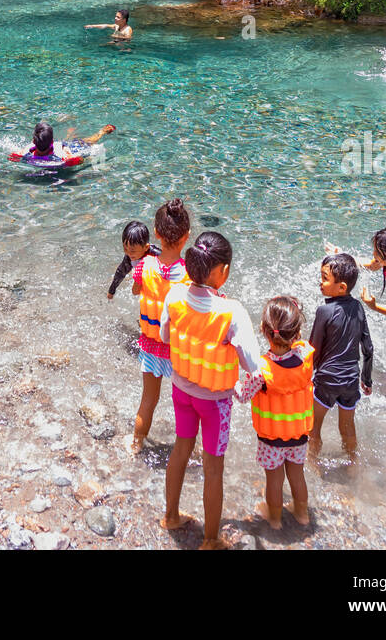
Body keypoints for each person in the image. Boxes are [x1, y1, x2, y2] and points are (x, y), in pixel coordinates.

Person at [160, 232, 260, 550]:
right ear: (222, 272)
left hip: (181, 390)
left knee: (180, 450)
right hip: (214, 402)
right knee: (213, 467)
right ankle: (211, 539)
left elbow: (164, 334)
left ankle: (171, 516)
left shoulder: (174, 296)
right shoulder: (232, 312)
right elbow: (251, 363)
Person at [235, 296, 313, 529]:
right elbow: (303, 350)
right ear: (297, 332)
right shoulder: (305, 357)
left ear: (263, 330)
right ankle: (302, 514)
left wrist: (231, 381)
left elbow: (242, 396)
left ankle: (275, 519)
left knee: (274, 479)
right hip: (299, 435)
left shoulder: (261, 370)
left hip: (271, 440)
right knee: (297, 475)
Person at [129, 197, 191, 455]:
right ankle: (185, 452)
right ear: (187, 237)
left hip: (150, 345)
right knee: (184, 405)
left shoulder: (144, 265)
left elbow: (136, 290)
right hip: (177, 350)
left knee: (148, 400)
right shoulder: (189, 275)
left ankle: (136, 443)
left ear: (155, 233)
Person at [308, 252, 373, 459]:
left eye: (325, 279)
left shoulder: (324, 311)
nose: (320, 282)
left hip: (327, 379)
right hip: (350, 380)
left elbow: (314, 349)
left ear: (342, 287)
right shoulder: (358, 308)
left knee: (313, 425)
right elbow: (368, 347)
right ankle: (353, 463)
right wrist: (366, 379)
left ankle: (313, 463)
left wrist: (306, 377)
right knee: (347, 427)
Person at [10, 120, 114, 164]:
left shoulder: (25, 151)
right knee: (89, 141)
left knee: (85, 141)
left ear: (33, 141)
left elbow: (14, 156)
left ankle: (102, 132)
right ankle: (101, 132)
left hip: (70, 147)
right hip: (71, 148)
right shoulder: (62, 154)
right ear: (53, 141)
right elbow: (79, 160)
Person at [107, 220, 159, 299]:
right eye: (125, 248)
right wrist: (111, 291)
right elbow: (120, 273)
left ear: (146, 247)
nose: (128, 253)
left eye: (132, 250)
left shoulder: (157, 255)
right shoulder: (130, 257)